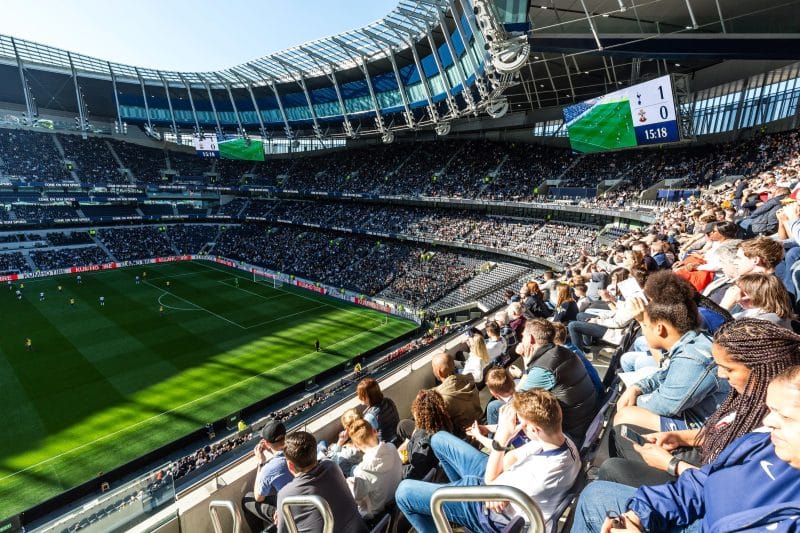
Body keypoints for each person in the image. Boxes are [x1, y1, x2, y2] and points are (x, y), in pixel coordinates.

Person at [572, 365, 800, 533]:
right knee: (595, 494)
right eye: (771, 410)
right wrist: (639, 515)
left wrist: (671, 464)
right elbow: (703, 481)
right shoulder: (763, 441)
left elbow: (666, 404)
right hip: (705, 516)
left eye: (786, 416)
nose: (769, 421)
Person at [600, 318, 800, 487]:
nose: (721, 375)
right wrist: (678, 437)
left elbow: (732, 490)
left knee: (612, 471)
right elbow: (723, 430)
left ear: (761, 369)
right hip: (704, 462)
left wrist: (672, 465)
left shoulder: (775, 427)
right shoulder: (748, 399)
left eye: (729, 369)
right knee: (622, 433)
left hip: (703, 487)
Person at [396, 389, 581, 533]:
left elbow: (489, 483)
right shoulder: (557, 440)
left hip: (485, 511)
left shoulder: (541, 474)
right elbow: (510, 458)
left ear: (535, 429)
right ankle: (452, 507)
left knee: (403, 493)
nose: (519, 428)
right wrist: (499, 473)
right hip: (495, 482)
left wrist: (501, 438)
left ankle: (451, 503)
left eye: (522, 425)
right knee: (439, 439)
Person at [614, 271, 729, 432]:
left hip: (703, 429)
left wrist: (636, 399)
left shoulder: (692, 358)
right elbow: (665, 372)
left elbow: (664, 405)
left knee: (626, 415)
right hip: (694, 409)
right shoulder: (690, 341)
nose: (643, 330)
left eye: (645, 326)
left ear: (660, 329)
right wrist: (637, 387)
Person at [510, 319, 597, 440]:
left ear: (530, 339)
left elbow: (516, 400)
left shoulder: (544, 369)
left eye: (523, 336)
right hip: (587, 416)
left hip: (572, 430)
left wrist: (525, 361)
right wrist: (527, 361)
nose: (521, 340)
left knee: (498, 407)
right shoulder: (564, 351)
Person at [276, 431, 368, 533]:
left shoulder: (285, 496)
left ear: (290, 465)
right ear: (315, 453)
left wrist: (283, 515)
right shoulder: (332, 466)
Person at [345, 418, 403, 519]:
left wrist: (350, 485)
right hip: (398, 502)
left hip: (378, 515)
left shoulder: (361, 472)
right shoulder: (392, 447)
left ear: (356, 446)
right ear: (375, 432)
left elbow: (358, 500)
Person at [242, 420, 293, 533]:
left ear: (266, 442)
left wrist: (261, 462)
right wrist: (272, 449)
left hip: (291, 514)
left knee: (247, 499)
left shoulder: (269, 468)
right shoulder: (296, 450)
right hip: (302, 504)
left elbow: (258, 497)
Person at [396, 389, 453, 480]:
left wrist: (396, 466)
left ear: (419, 413)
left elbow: (415, 472)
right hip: (428, 461)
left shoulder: (422, 443)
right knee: (402, 425)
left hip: (420, 474)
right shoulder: (443, 422)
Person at [431, 351, 482, 437]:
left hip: (463, 436)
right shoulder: (470, 379)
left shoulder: (437, 396)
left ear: (439, 372)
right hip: (478, 423)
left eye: (433, 367)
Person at [356, 377, 399, 443]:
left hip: (385, 446)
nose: (359, 397)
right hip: (398, 438)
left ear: (367, 397)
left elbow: (365, 438)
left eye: (360, 395)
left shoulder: (370, 416)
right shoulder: (388, 401)